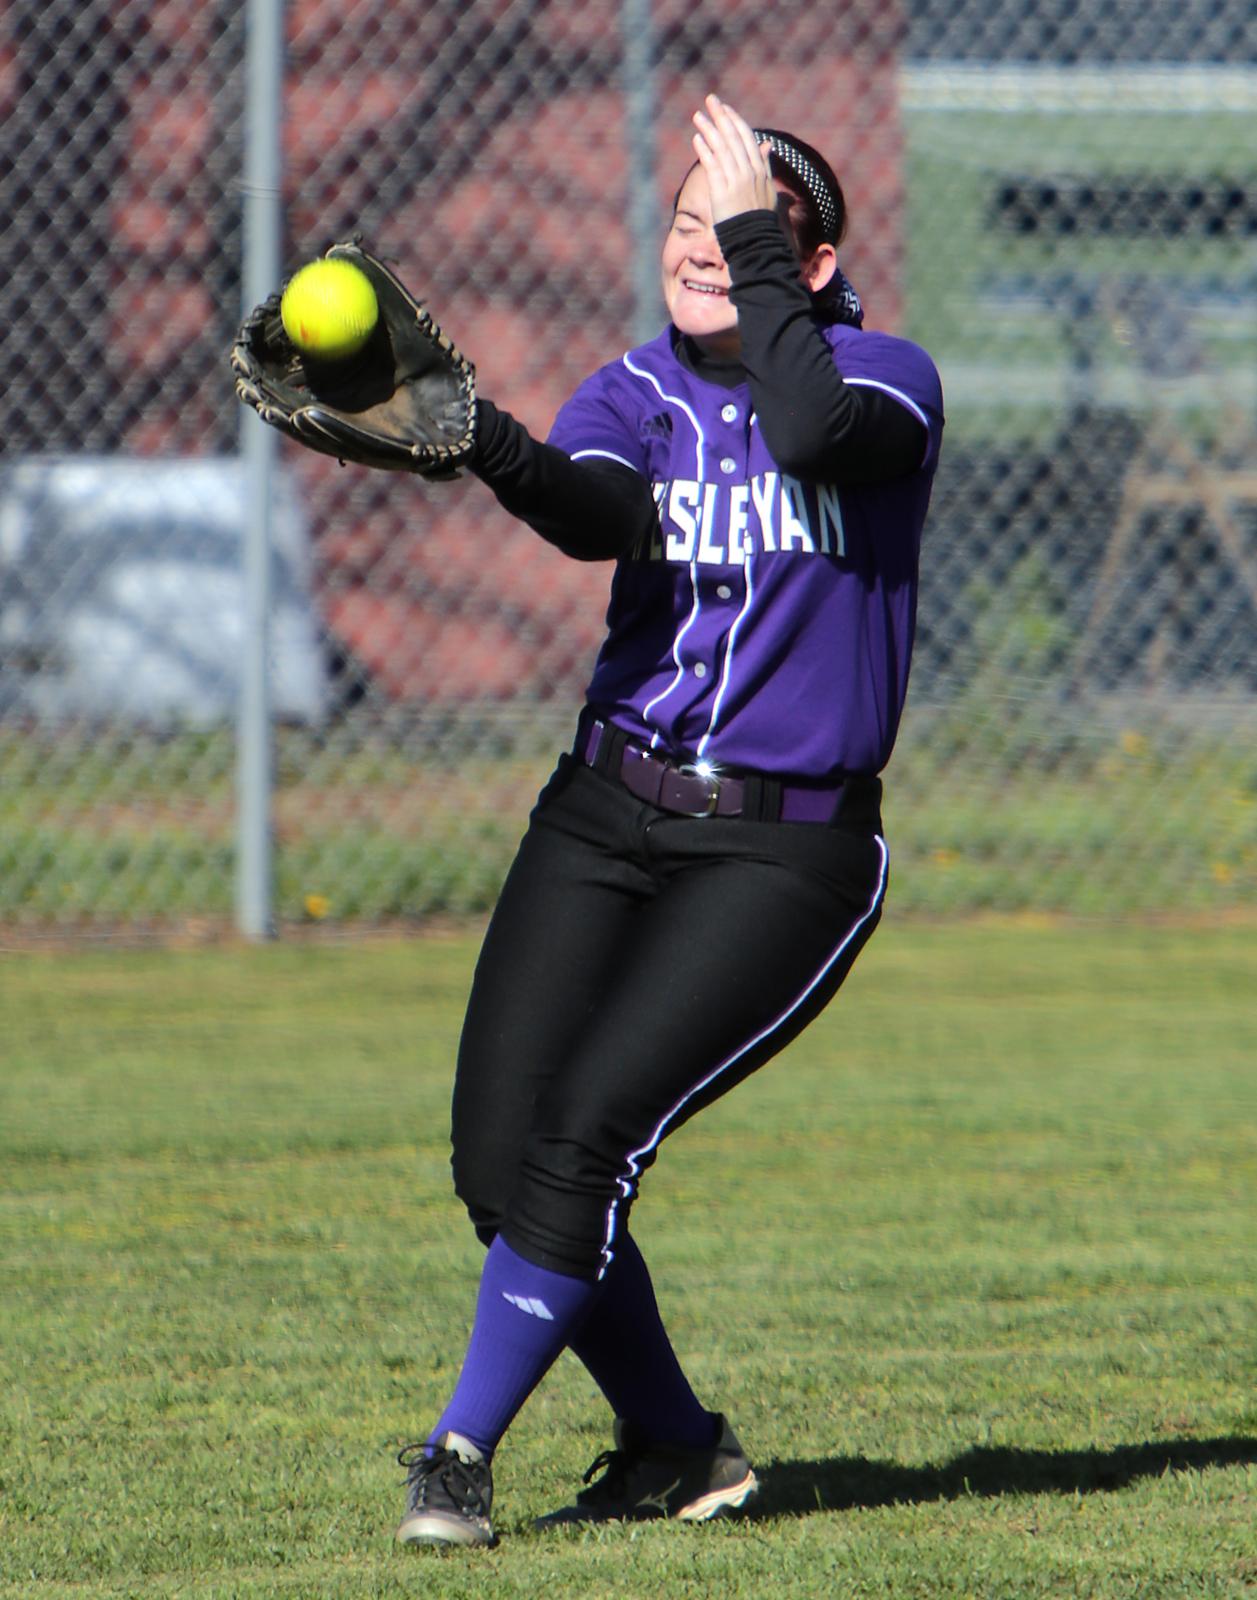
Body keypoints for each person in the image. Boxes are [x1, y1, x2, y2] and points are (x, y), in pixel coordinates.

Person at [394, 93, 944, 1549]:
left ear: (810, 264)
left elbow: (812, 430)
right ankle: (675, 1446)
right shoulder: (635, 390)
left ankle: (454, 1453)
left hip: (784, 848)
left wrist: (760, 235)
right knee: (498, 1158)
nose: (704, 248)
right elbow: (591, 512)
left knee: (584, 1134)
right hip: (602, 809)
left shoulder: (886, 379)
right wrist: (473, 438)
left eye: (745, 230)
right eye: (688, 223)